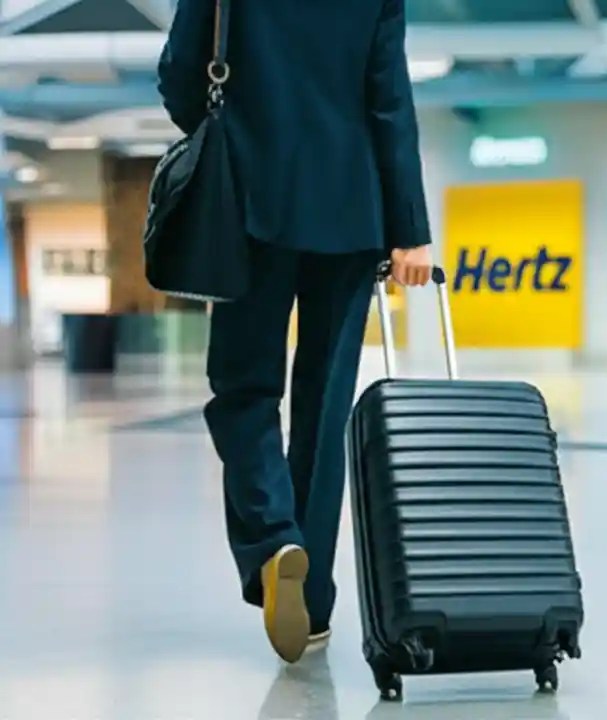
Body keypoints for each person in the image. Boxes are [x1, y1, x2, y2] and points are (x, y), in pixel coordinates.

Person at [158, 0, 434, 663]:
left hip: (250, 203)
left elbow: (177, 75)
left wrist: (235, 132)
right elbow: (390, 102)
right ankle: (311, 605)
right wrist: (411, 230)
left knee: (244, 390)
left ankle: (273, 541)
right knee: (324, 403)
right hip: (352, 208)